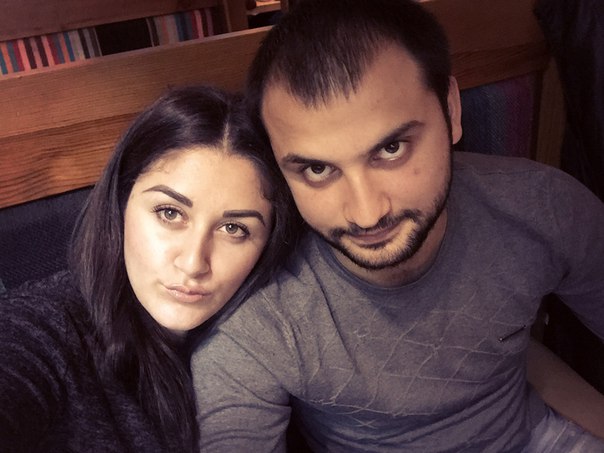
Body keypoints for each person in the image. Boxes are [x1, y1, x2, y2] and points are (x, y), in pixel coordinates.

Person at [191, 0, 604, 451]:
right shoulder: (259, 311)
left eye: (391, 149)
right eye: (317, 170)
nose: (366, 214)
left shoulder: (544, 208)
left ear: (451, 109)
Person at [0, 86, 300, 452]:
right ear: (121, 204)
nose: (193, 262)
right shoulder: (44, 332)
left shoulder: (273, 336)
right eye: (170, 213)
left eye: (233, 229)